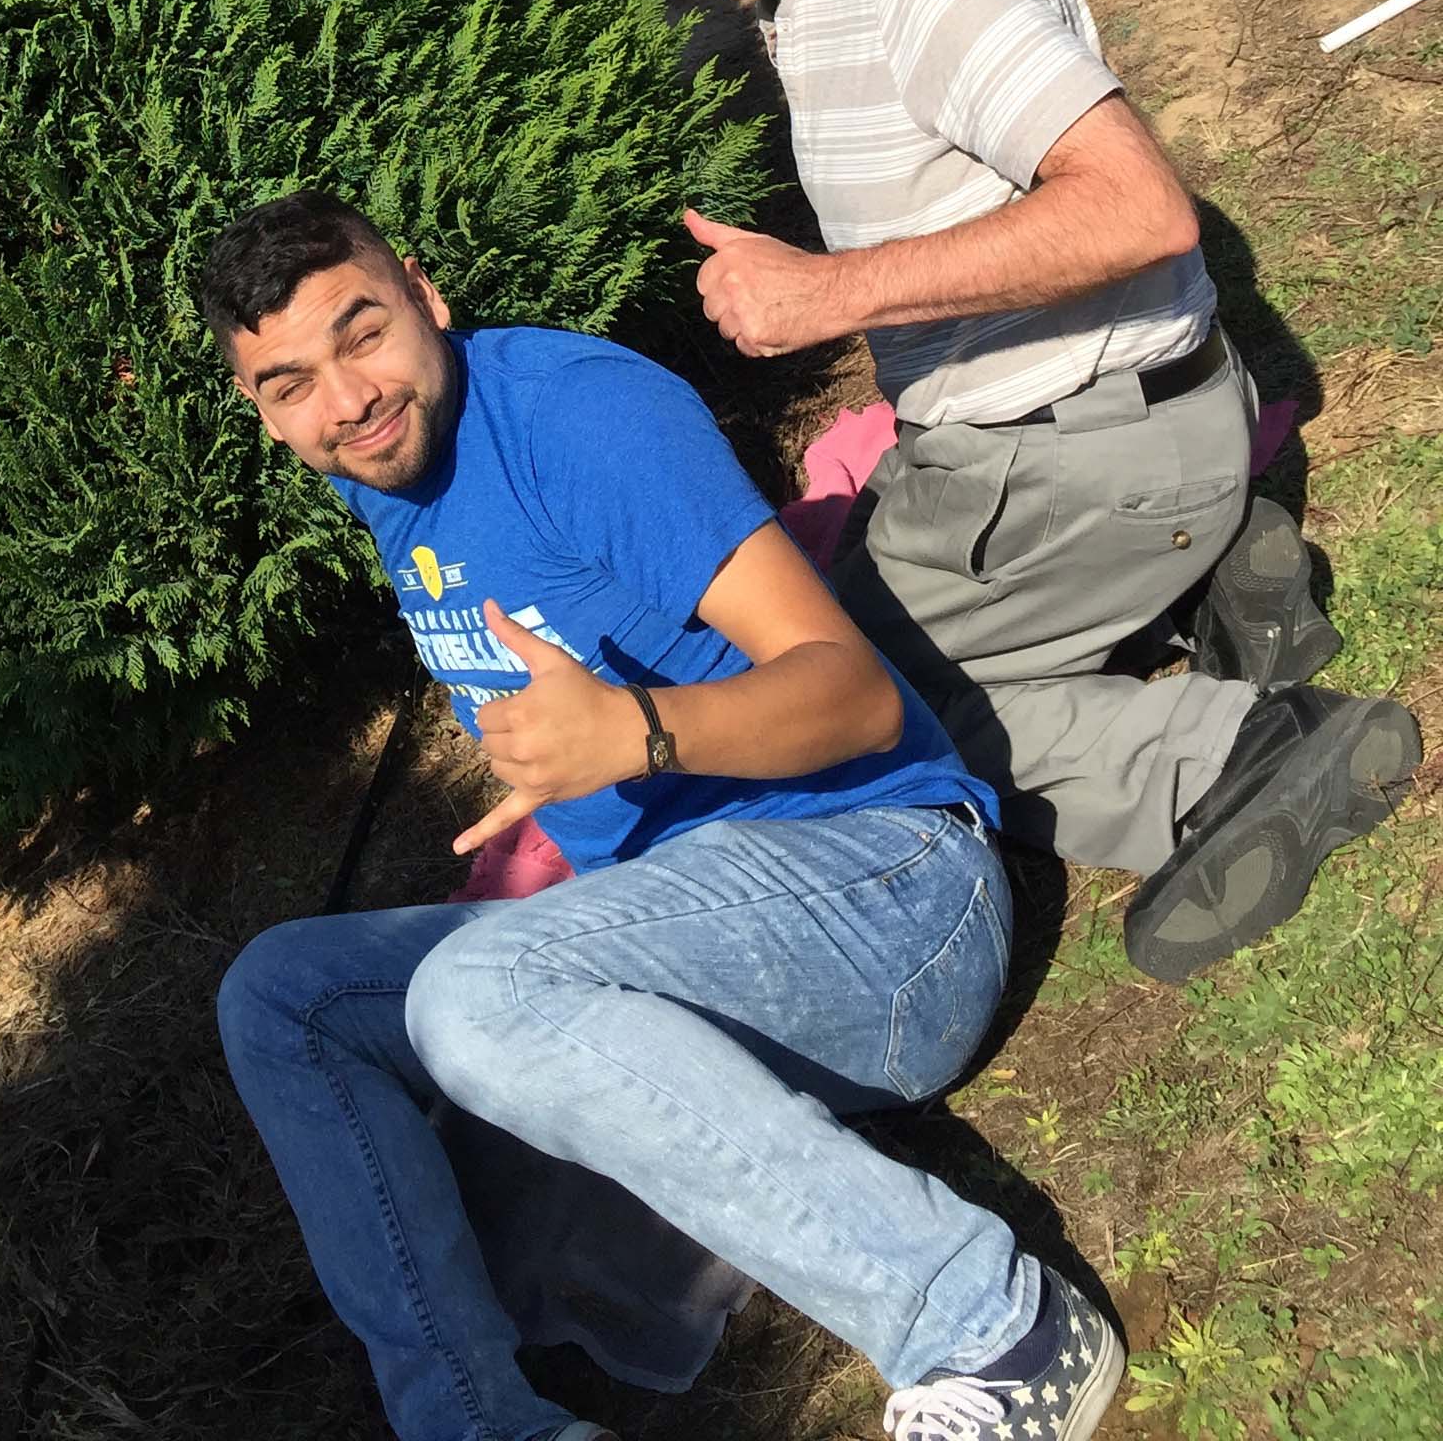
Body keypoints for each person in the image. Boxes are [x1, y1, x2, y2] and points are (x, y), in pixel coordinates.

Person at [516, 0, 1423, 979]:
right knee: (816, 642)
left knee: (849, 710)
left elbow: (1138, 208)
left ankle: (1234, 753)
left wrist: (829, 297)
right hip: (1058, 446)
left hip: (1089, 453)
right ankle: (1204, 568)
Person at [205, 189, 1125, 1441]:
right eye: (290, 383)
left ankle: (989, 1323)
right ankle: (482, 1425)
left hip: (891, 900)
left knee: (474, 998)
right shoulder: (380, 471)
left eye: (362, 334)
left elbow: (853, 695)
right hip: (701, 936)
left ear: (426, 294)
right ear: (259, 413)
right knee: (281, 996)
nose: (347, 398)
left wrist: (633, 735)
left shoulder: (577, 417)